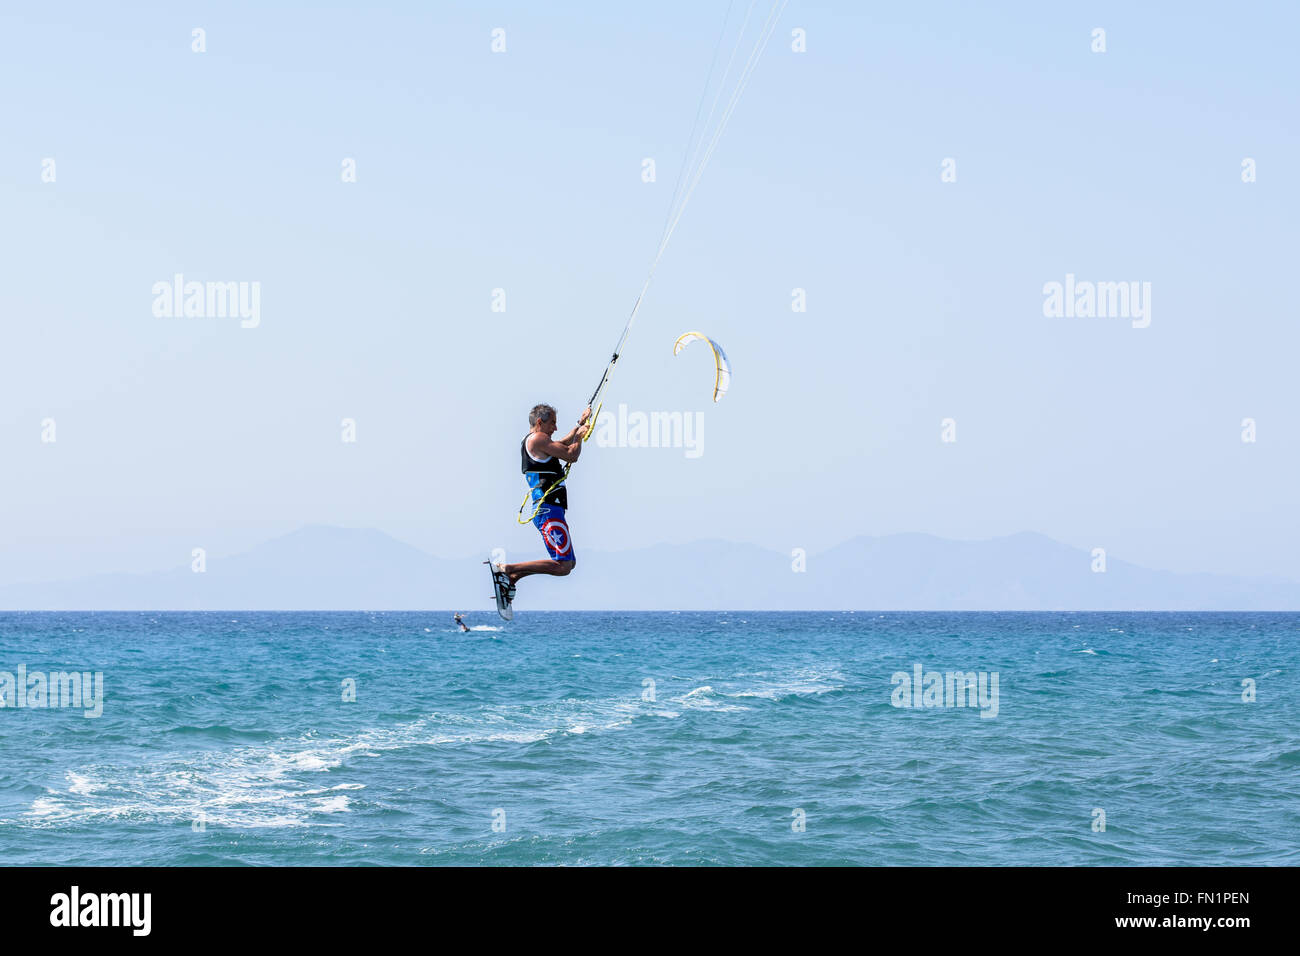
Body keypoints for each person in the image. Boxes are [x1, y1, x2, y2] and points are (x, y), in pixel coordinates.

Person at [495, 403, 592, 599]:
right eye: (552, 423)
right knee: (563, 566)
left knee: (569, 563)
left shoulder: (537, 441)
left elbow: (561, 444)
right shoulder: (537, 439)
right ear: (539, 422)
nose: (555, 428)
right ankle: (508, 569)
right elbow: (571, 455)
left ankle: (514, 576)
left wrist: (579, 425)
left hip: (550, 508)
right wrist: (579, 437)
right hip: (548, 509)